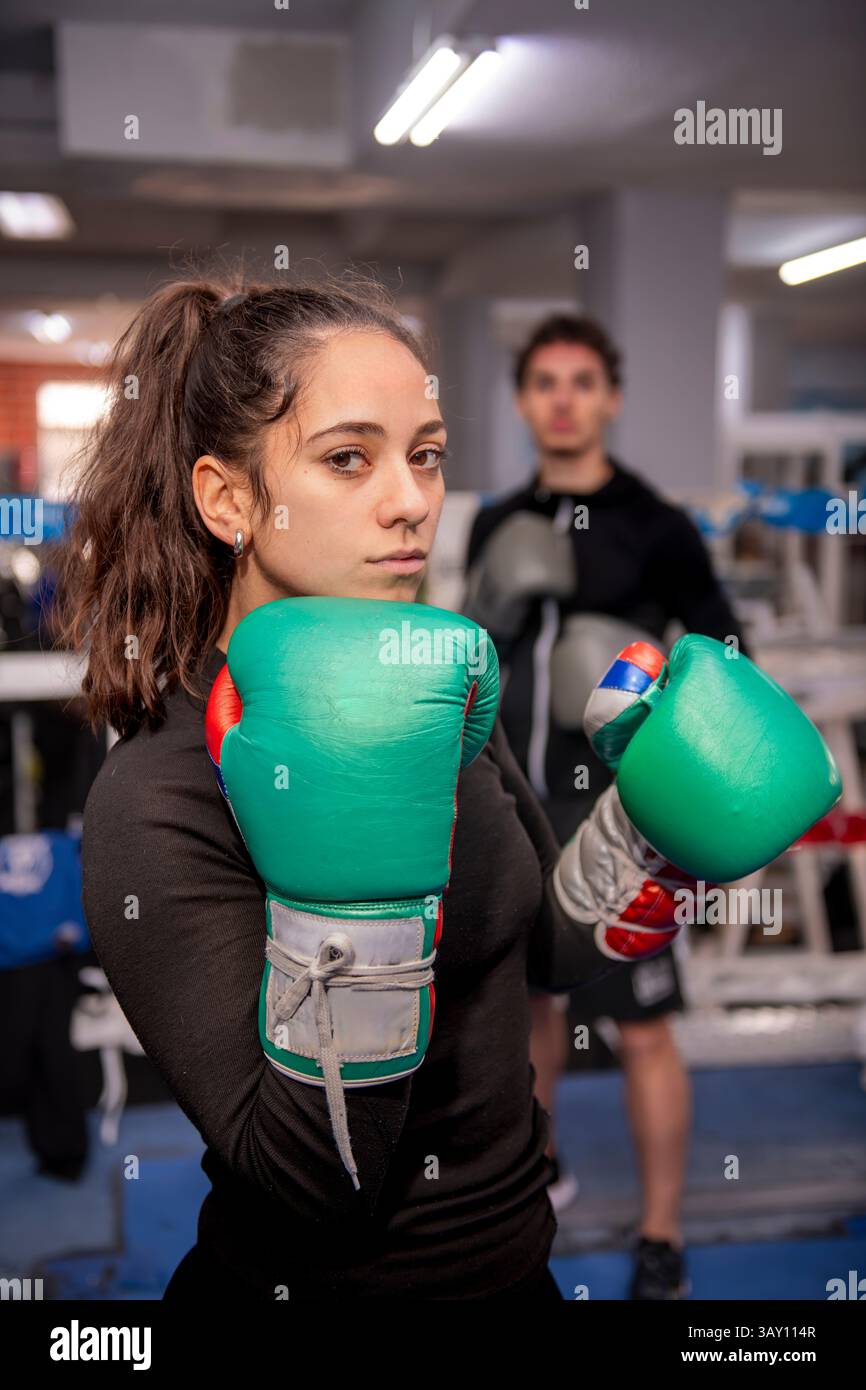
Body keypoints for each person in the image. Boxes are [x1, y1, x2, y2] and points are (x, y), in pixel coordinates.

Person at [51, 274, 701, 1302]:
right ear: (227, 499)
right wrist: (355, 908)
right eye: (347, 458)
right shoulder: (159, 792)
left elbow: (539, 946)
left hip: (517, 1277)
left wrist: (656, 820)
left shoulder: (434, 688)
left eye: (425, 454)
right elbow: (314, 1178)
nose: (409, 501)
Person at [462, 314, 749, 1299]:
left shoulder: (655, 522)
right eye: (543, 380)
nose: (561, 398)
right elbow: (467, 659)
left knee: (637, 1025)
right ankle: (530, 1180)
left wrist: (651, 680)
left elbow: (728, 658)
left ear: (609, 396)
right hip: (515, 794)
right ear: (522, 398)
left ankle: (661, 1229)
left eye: (581, 380)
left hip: (627, 815)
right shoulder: (498, 519)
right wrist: (487, 618)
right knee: (525, 1005)